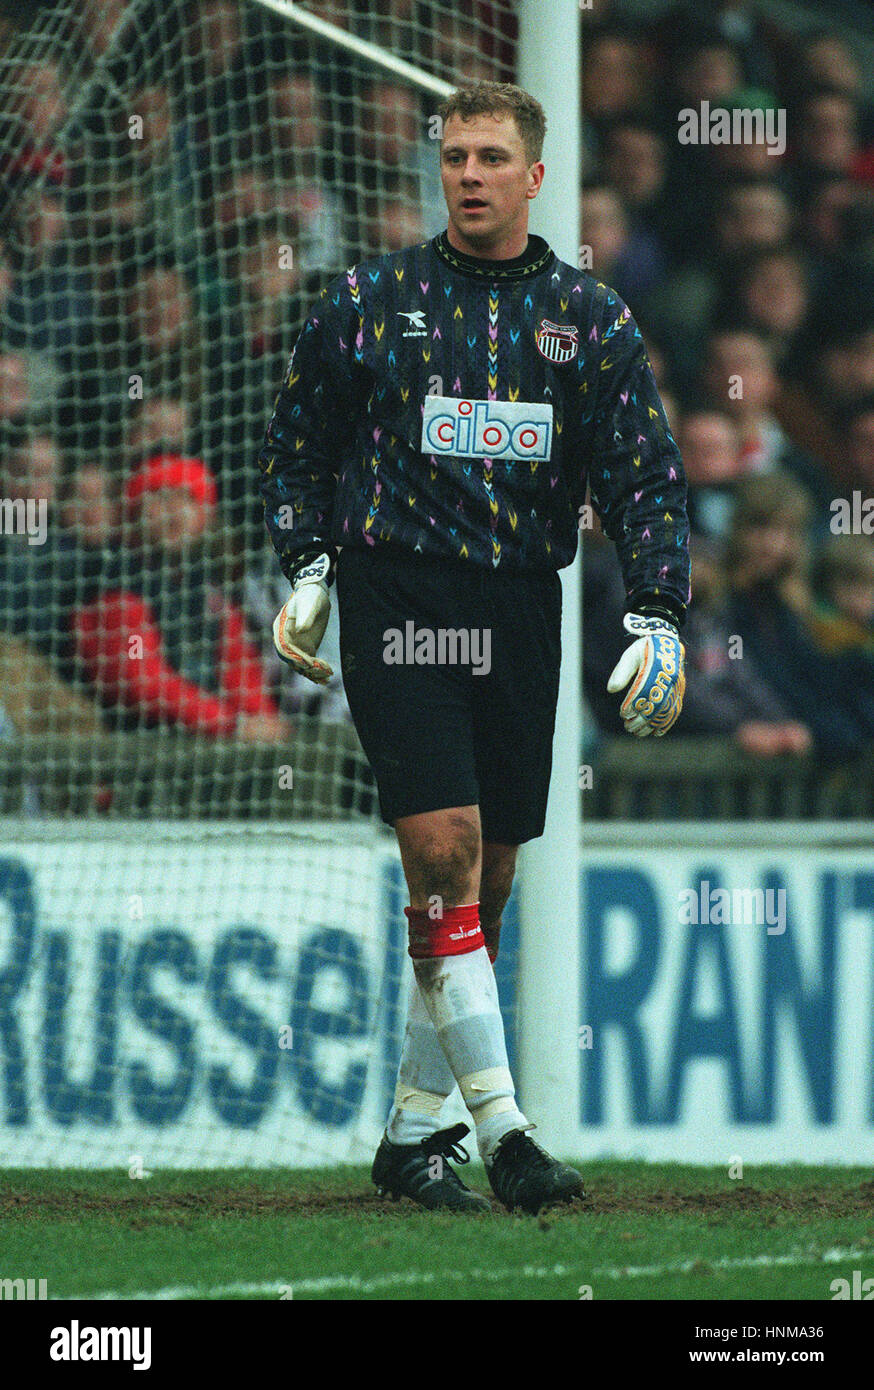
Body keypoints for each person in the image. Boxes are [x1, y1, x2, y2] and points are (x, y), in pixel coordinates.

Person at [258, 81, 690, 1214]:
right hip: (397, 592)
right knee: (442, 852)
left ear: (535, 176)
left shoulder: (589, 320)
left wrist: (657, 607)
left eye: (493, 156)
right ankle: (507, 1136)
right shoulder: (367, 297)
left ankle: (411, 1134)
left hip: (519, 606)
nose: (469, 173)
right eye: (454, 156)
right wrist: (306, 566)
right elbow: (297, 445)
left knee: (484, 881)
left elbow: (642, 476)